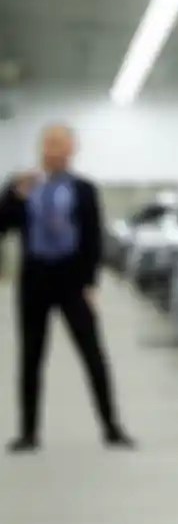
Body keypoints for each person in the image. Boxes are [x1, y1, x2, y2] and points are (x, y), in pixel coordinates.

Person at [0, 124, 133, 453]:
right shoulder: (23, 186)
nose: (53, 150)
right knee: (31, 357)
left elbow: (92, 238)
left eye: (60, 145)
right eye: (48, 144)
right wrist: (13, 197)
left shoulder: (83, 189)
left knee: (92, 353)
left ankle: (111, 426)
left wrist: (91, 283)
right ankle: (28, 432)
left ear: (72, 150)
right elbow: (3, 226)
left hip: (72, 281)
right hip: (34, 280)